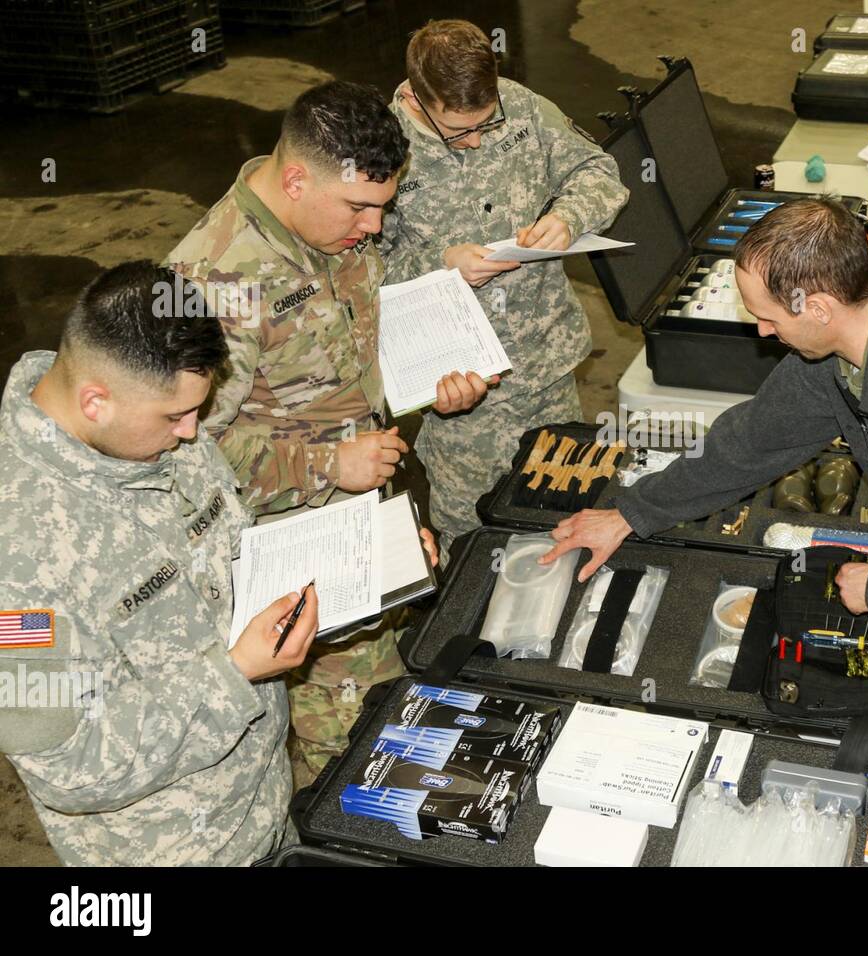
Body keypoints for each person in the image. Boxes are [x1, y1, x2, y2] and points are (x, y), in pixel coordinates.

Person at [544, 198, 868, 640]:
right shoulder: (843, 350)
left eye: (770, 317)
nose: (763, 332)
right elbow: (754, 439)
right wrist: (635, 512)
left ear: (820, 308)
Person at [167, 81, 458, 787]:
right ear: (296, 178)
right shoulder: (212, 283)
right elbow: (185, 459)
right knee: (364, 756)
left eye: (382, 207)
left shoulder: (330, 226)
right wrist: (329, 465)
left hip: (362, 519)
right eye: (360, 207)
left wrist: (432, 374)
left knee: (388, 709)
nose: (376, 228)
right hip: (289, 551)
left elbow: (345, 351)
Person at [0, 263, 320, 865]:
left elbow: (230, 547)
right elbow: (69, 767)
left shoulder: (159, 423)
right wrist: (236, 674)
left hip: (267, 808)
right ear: (95, 401)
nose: (193, 432)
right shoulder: (15, 554)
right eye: (173, 418)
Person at [381, 18, 629, 562]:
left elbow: (598, 170)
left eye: (485, 125)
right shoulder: (381, 144)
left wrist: (567, 216)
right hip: (462, 392)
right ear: (419, 98)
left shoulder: (521, 106)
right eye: (457, 132)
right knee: (474, 536)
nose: (473, 141)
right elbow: (354, 269)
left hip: (546, 366)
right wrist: (438, 262)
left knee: (561, 512)